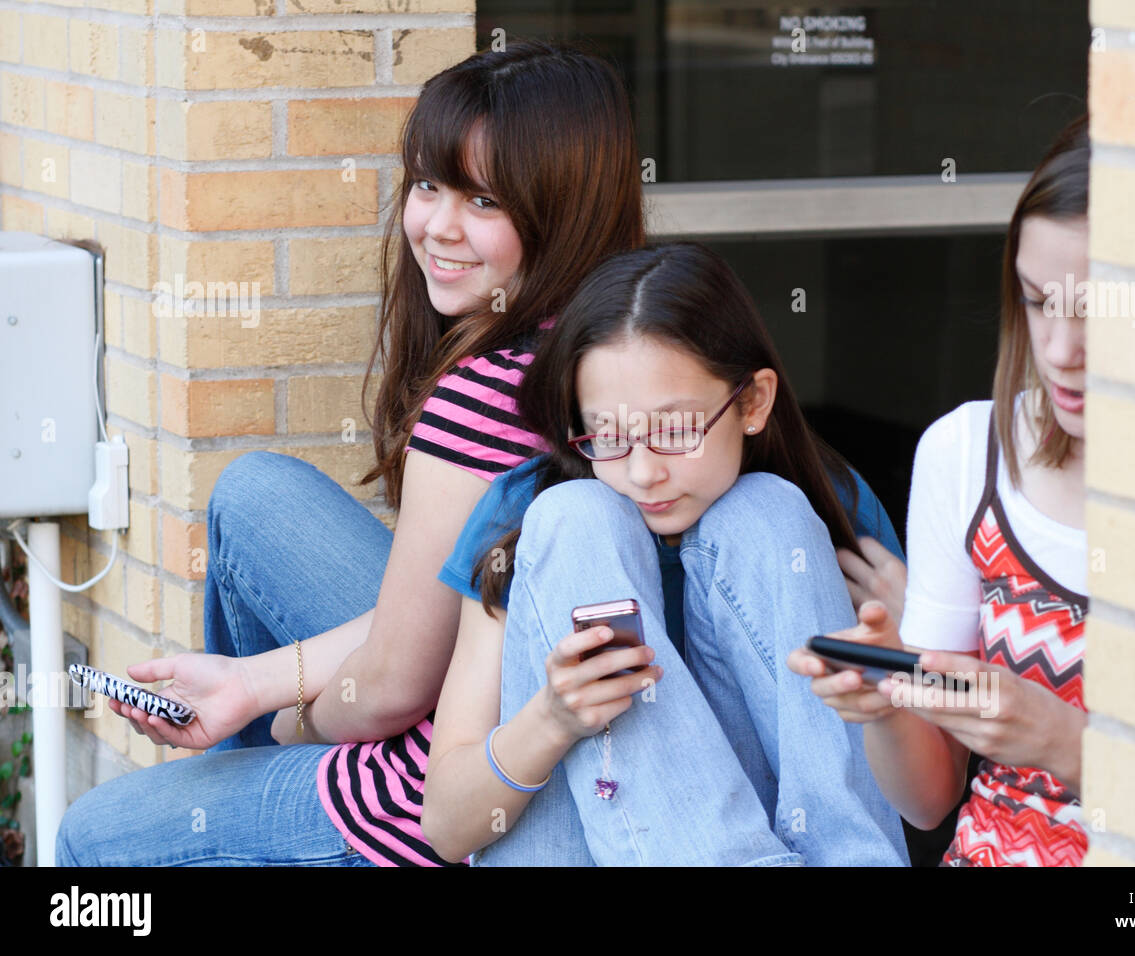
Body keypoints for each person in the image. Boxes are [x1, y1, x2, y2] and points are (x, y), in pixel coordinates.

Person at [55, 40, 645, 867]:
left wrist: (291, 726)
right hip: (518, 680)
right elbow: (435, 618)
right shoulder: (635, 341)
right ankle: (243, 774)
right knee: (255, 493)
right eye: (429, 184)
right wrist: (253, 685)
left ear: (563, 208)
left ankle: (259, 803)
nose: (436, 227)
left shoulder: (487, 394)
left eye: (483, 200)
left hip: (446, 800)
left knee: (91, 838)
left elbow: (390, 695)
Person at [421, 243, 911, 866]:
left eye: (676, 429)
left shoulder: (828, 506)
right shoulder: (529, 516)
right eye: (609, 434)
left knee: (766, 512)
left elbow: (933, 794)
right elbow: (447, 826)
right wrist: (552, 719)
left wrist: (910, 658)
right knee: (578, 514)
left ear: (754, 402)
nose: (644, 472)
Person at [788, 116, 1091, 866]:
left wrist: (1068, 745)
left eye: (1094, 311)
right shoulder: (967, 453)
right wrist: (886, 705)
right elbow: (928, 799)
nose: (1059, 351)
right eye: (1037, 300)